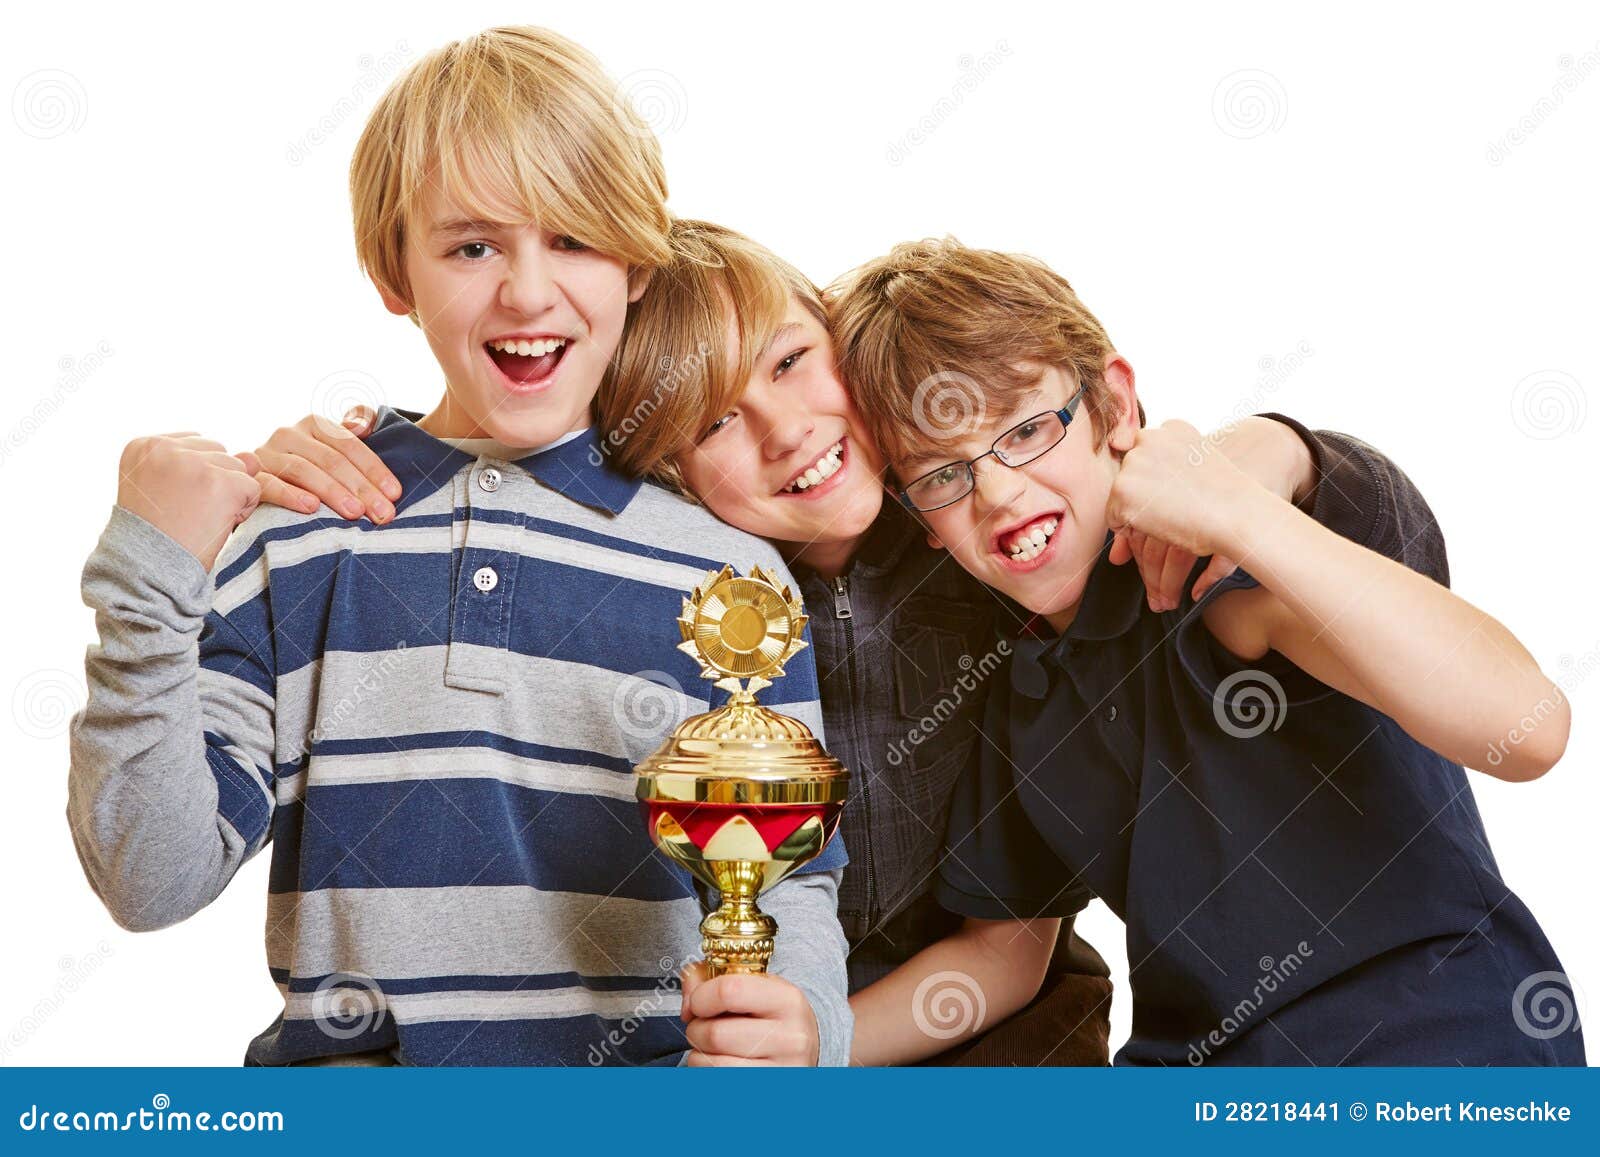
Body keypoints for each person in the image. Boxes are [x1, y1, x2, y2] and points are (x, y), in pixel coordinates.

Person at [252, 220, 1441, 1065]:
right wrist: (389, 449)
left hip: (1013, 1038)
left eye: (791, 362)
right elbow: (518, 477)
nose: (784, 430)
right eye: (714, 421)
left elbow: (1140, 466)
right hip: (744, 1043)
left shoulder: (986, 537)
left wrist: (1272, 444)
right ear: (657, 465)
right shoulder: (683, 590)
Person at [67, 27, 850, 1068]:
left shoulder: (730, 577)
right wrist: (145, 579)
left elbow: (791, 873)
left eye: (572, 238)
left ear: (636, 265)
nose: (526, 292)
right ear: (396, 272)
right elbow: (150, 878)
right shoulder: (293, 535)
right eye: (472, 246)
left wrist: (808, 1022)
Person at [826, 236, 1583, 1065]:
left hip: (1429, 1052)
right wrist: (807, 1047)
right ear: (919, 519)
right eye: (942, 474)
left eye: (1028, 429)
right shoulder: (1019, 698)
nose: (999, 491)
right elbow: (999, 953)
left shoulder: (1223, 584)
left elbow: (1530, 727)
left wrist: (1248, 505)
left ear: (1115, 406)